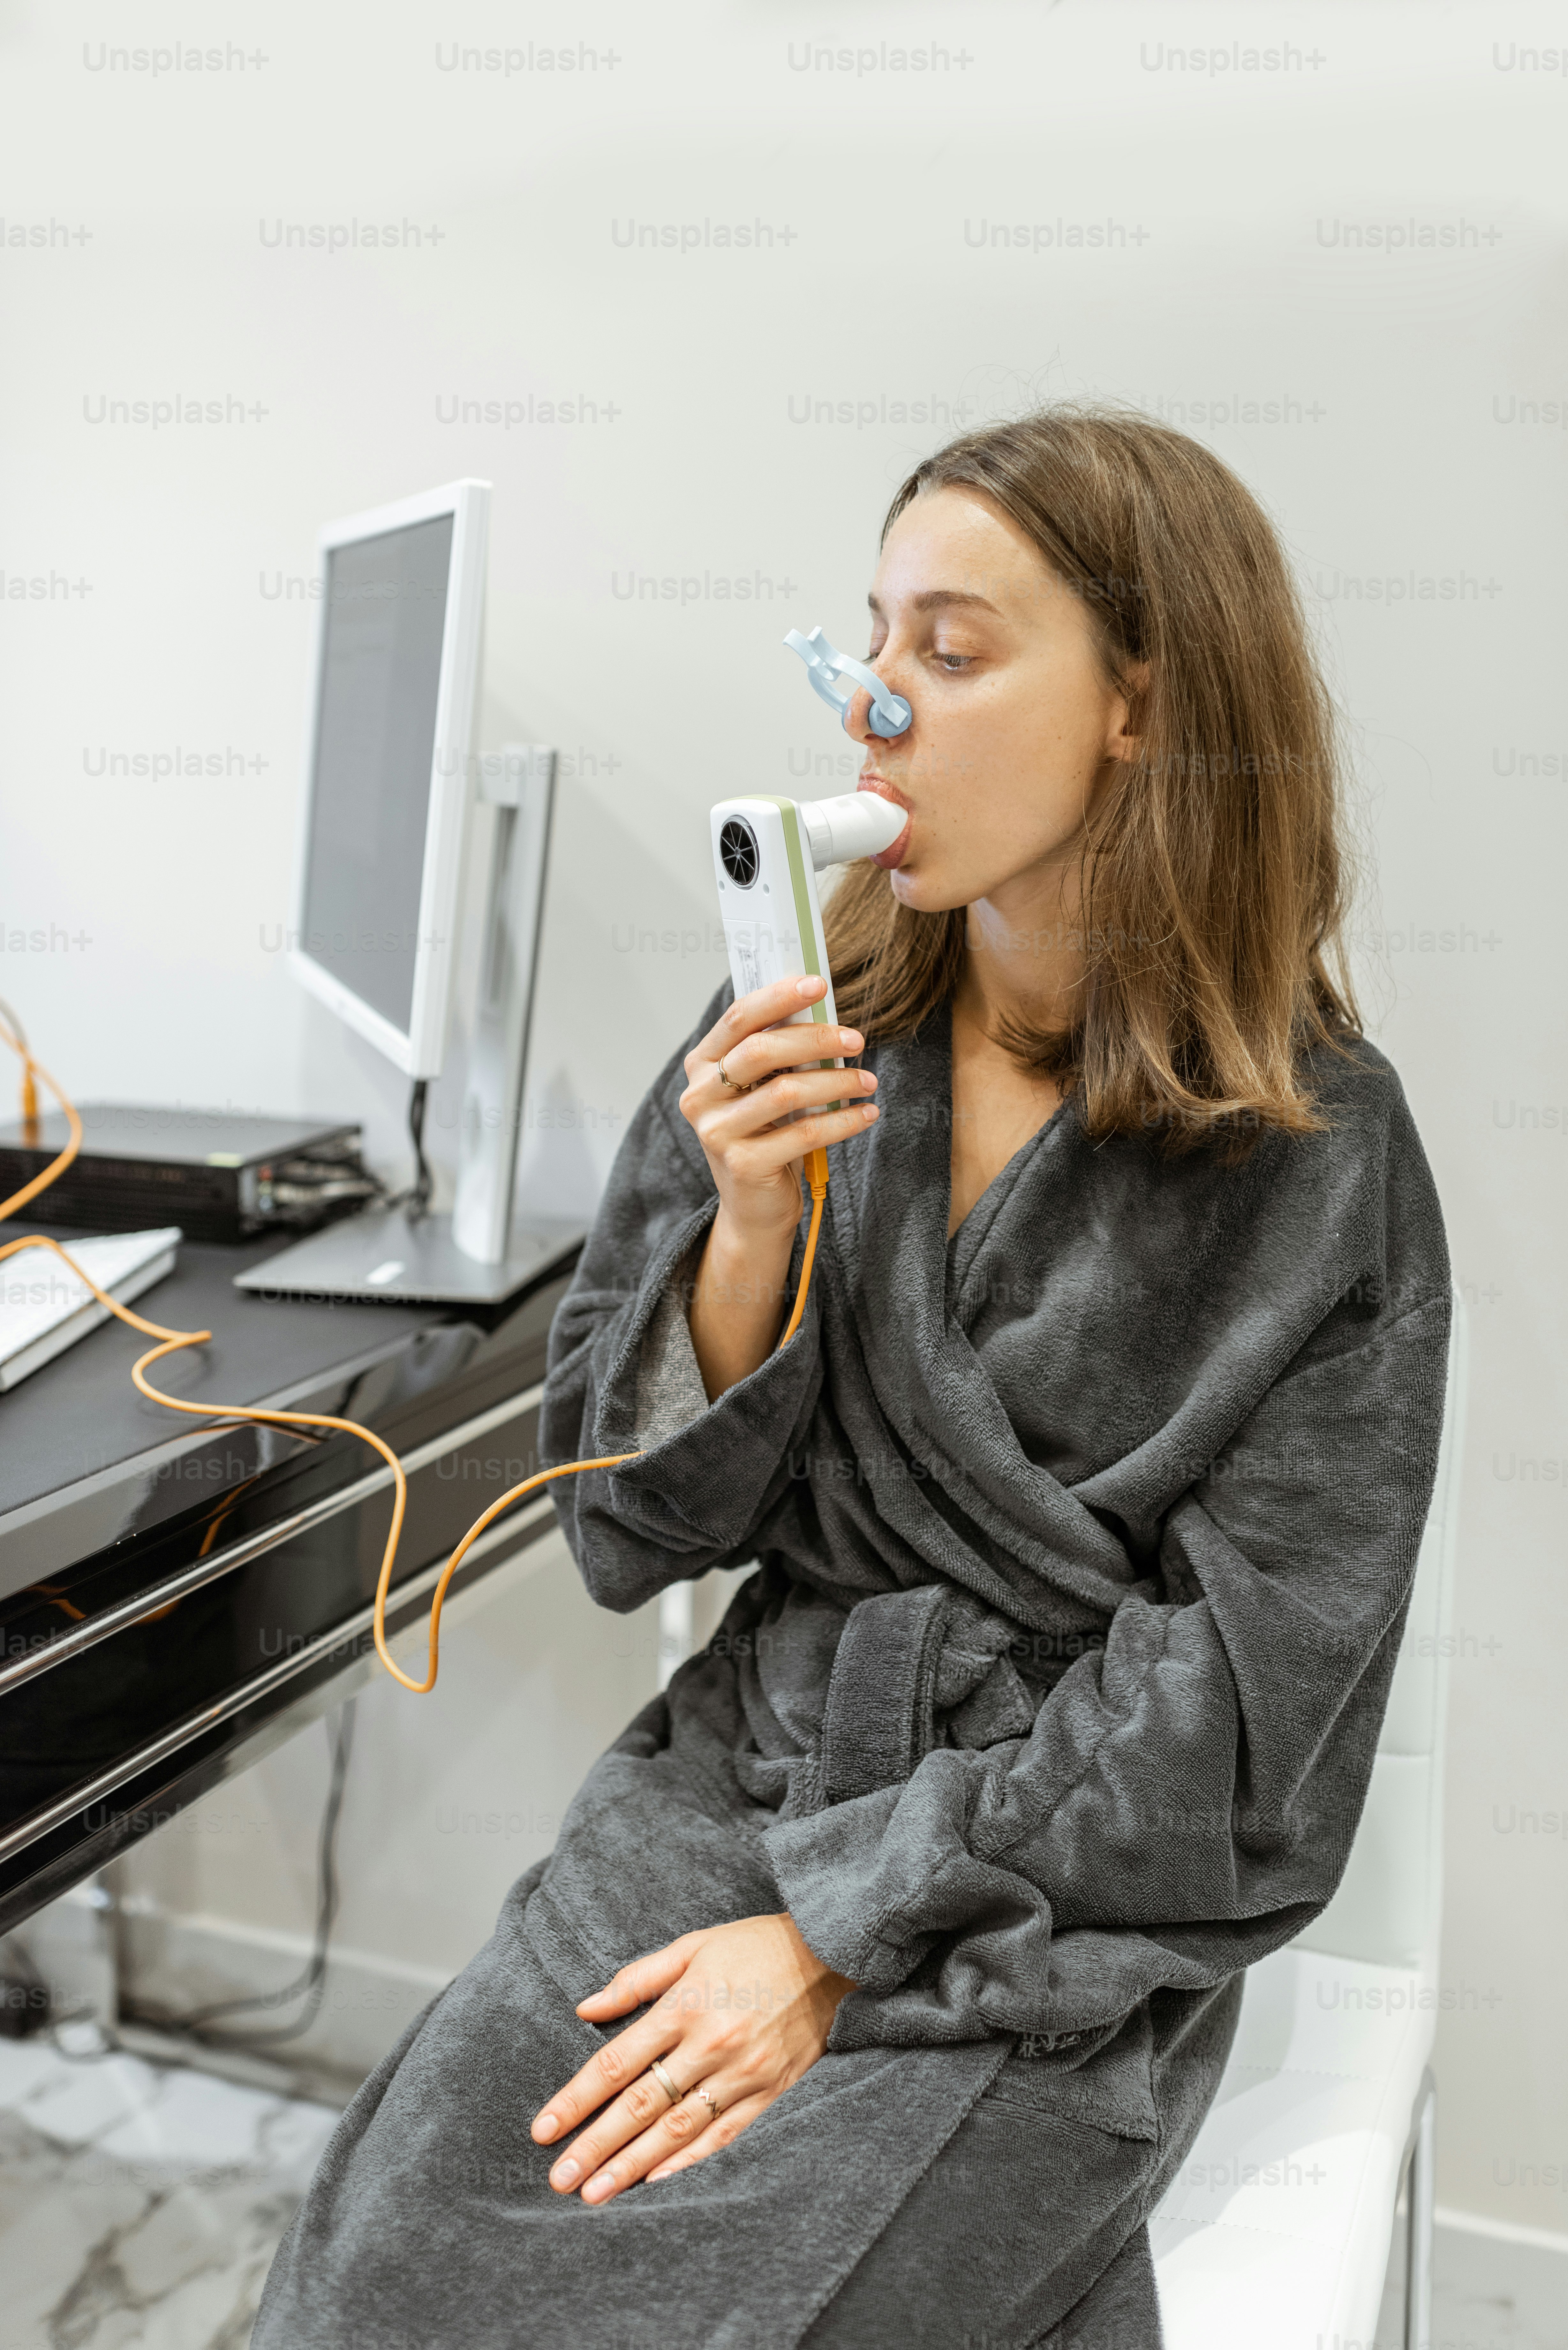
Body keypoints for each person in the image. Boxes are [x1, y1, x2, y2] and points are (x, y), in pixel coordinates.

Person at [254, 408, 1451, 2349]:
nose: (875, 711)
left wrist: (835, 1938)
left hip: (1048, 1881)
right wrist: (747, 1228)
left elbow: (1250, 1722)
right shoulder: (811, 1021)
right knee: (385, 2276)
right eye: (871, 647)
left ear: (1143, 703)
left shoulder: (1317, 1159)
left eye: (953, 654)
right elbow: (630, 1527)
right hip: (746, 1769)